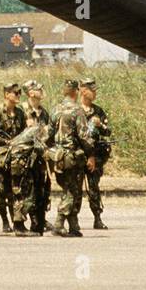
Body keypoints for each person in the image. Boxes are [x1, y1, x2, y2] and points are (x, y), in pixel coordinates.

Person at [51, 78, 95, 237]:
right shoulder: (77, 111)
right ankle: (59, 222)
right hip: (72, 157)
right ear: (76, 92)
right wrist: (91, 154)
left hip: (58, 157)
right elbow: (84, 136)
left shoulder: (56, 109)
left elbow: (49, 133)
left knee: (68, 189)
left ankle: (73, 225)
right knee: (72, 192)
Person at [0, 81, 27, 233]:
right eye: (15, 93)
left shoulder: (20, 113)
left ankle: (16, 220)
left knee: (16, 189)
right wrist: (5, 142)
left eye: (19, 93)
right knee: (0, 191)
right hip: (0, 157)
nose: (18, 96)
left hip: (16, 157)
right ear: (6, 94)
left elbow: (23, 133)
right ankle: (4, 220)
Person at [80, 78, 111, 230]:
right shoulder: (74, 110)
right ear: (83, 91)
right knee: (74, 188)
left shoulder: (98, 111)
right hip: (78, 154)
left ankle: (97, 217)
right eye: (93, 90)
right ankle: (72, 219)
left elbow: (108, 131)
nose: (95, 93)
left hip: (95, 155)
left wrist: (100, 125)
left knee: (94, 187)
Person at [22, 80, 52, 233]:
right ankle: (30, 220)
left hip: (40, 157)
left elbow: (46, 133)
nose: (42, 91)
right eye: (39, 89)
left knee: (42, 189)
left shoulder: (44, 112)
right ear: (31, 93)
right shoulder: (22, 110)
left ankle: (40, 219)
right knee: (28, 189)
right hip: (26, 156)